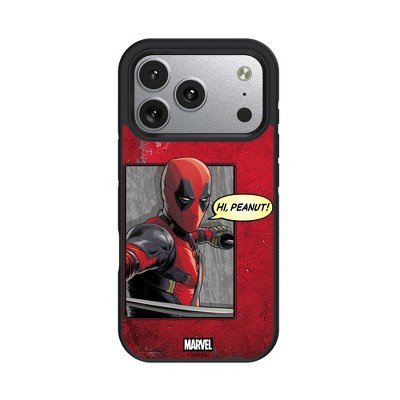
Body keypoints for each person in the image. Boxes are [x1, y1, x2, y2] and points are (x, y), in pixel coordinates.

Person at [125, 157, 233, 317]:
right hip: (158, 330)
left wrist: (212, 235)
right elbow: (128, 259)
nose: (195, 212)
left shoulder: (179, 234)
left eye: (203, 200)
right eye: (185, 199)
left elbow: (192, 235)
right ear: (167, 193)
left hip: (186, 324)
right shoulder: (156, 237)